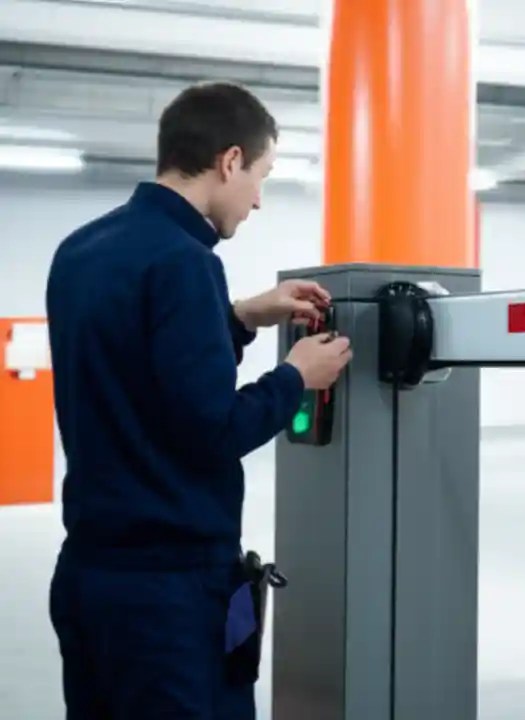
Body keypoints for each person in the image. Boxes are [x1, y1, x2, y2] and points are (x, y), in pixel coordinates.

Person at [45, 81, 352, 719]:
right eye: (261, 175)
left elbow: (141, 371)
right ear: (230, 160)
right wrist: (297, 375)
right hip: (171, 596)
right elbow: (212, 429)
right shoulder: (186, 263)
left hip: (89, 577)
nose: (259, 199)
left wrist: (239, 316)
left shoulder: (79, 250)